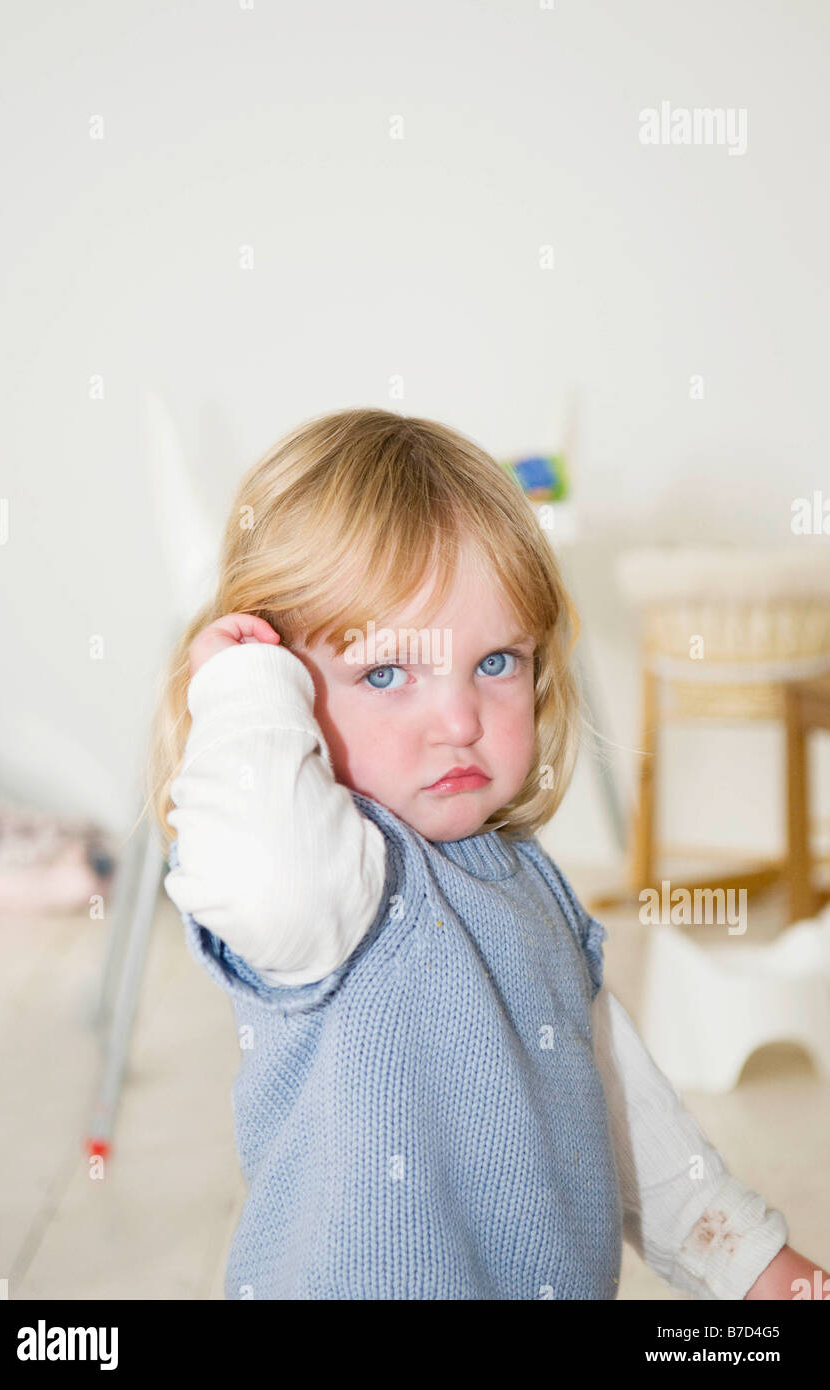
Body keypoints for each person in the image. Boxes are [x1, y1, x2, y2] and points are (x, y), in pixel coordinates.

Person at [147, 406, 826, 1300]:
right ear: (284, 695)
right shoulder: (331, 884)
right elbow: (267, 881)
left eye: (496, 662)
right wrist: (238, 687)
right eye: (386, 674)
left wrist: (747, 1262)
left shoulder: (530, 883)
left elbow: (618, 1105)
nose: (461, 719)